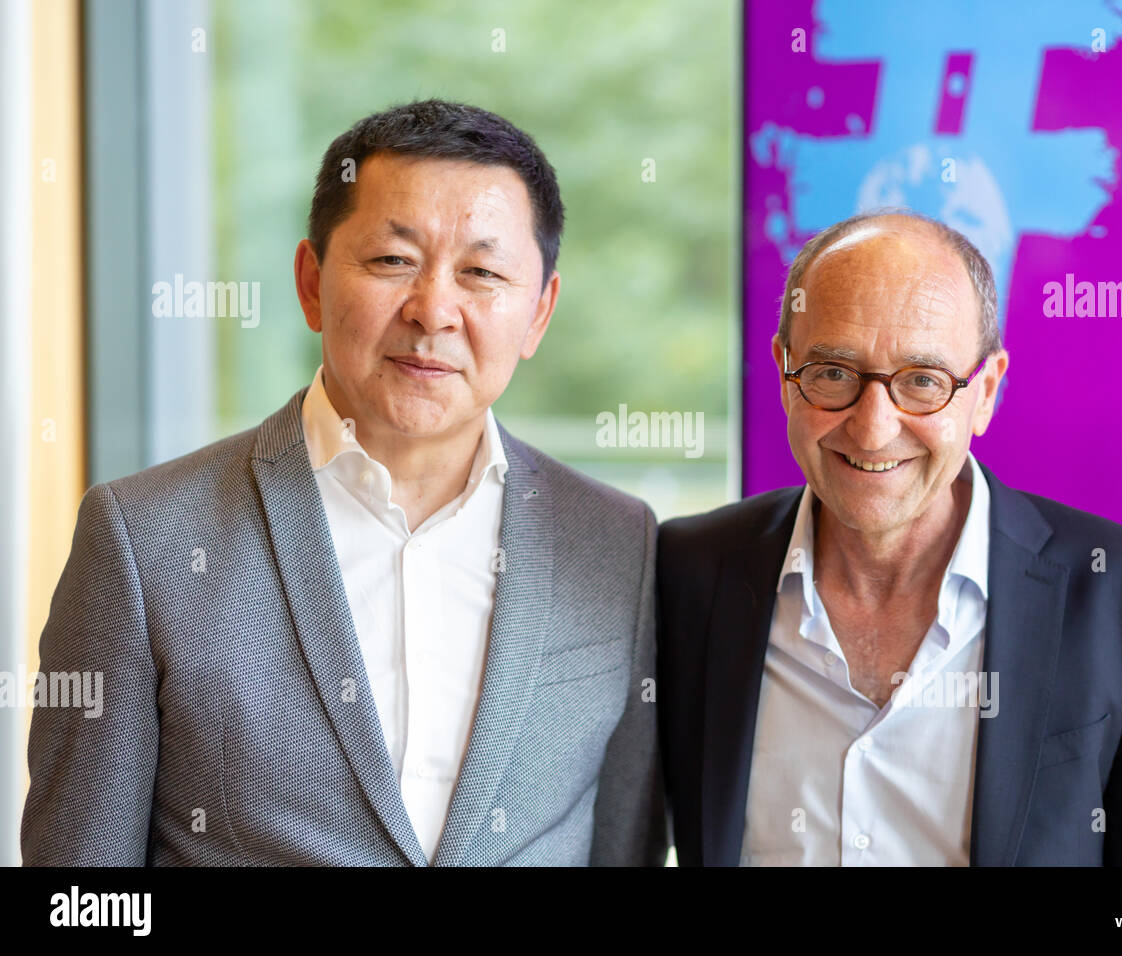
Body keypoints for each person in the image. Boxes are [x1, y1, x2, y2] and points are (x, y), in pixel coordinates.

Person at [22, 99, 666, 866]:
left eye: (483, 273)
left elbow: (623, 844)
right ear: (310, 281)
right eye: (393, 261)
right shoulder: (144, 539)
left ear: (538, 314)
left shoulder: (617, 543)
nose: (434, 311)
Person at [657, 210, 1122, 866]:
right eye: (834, 373)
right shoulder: (688, 573)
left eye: (922, 382)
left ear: (985, 392)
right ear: (786, 372)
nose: (872, 430)